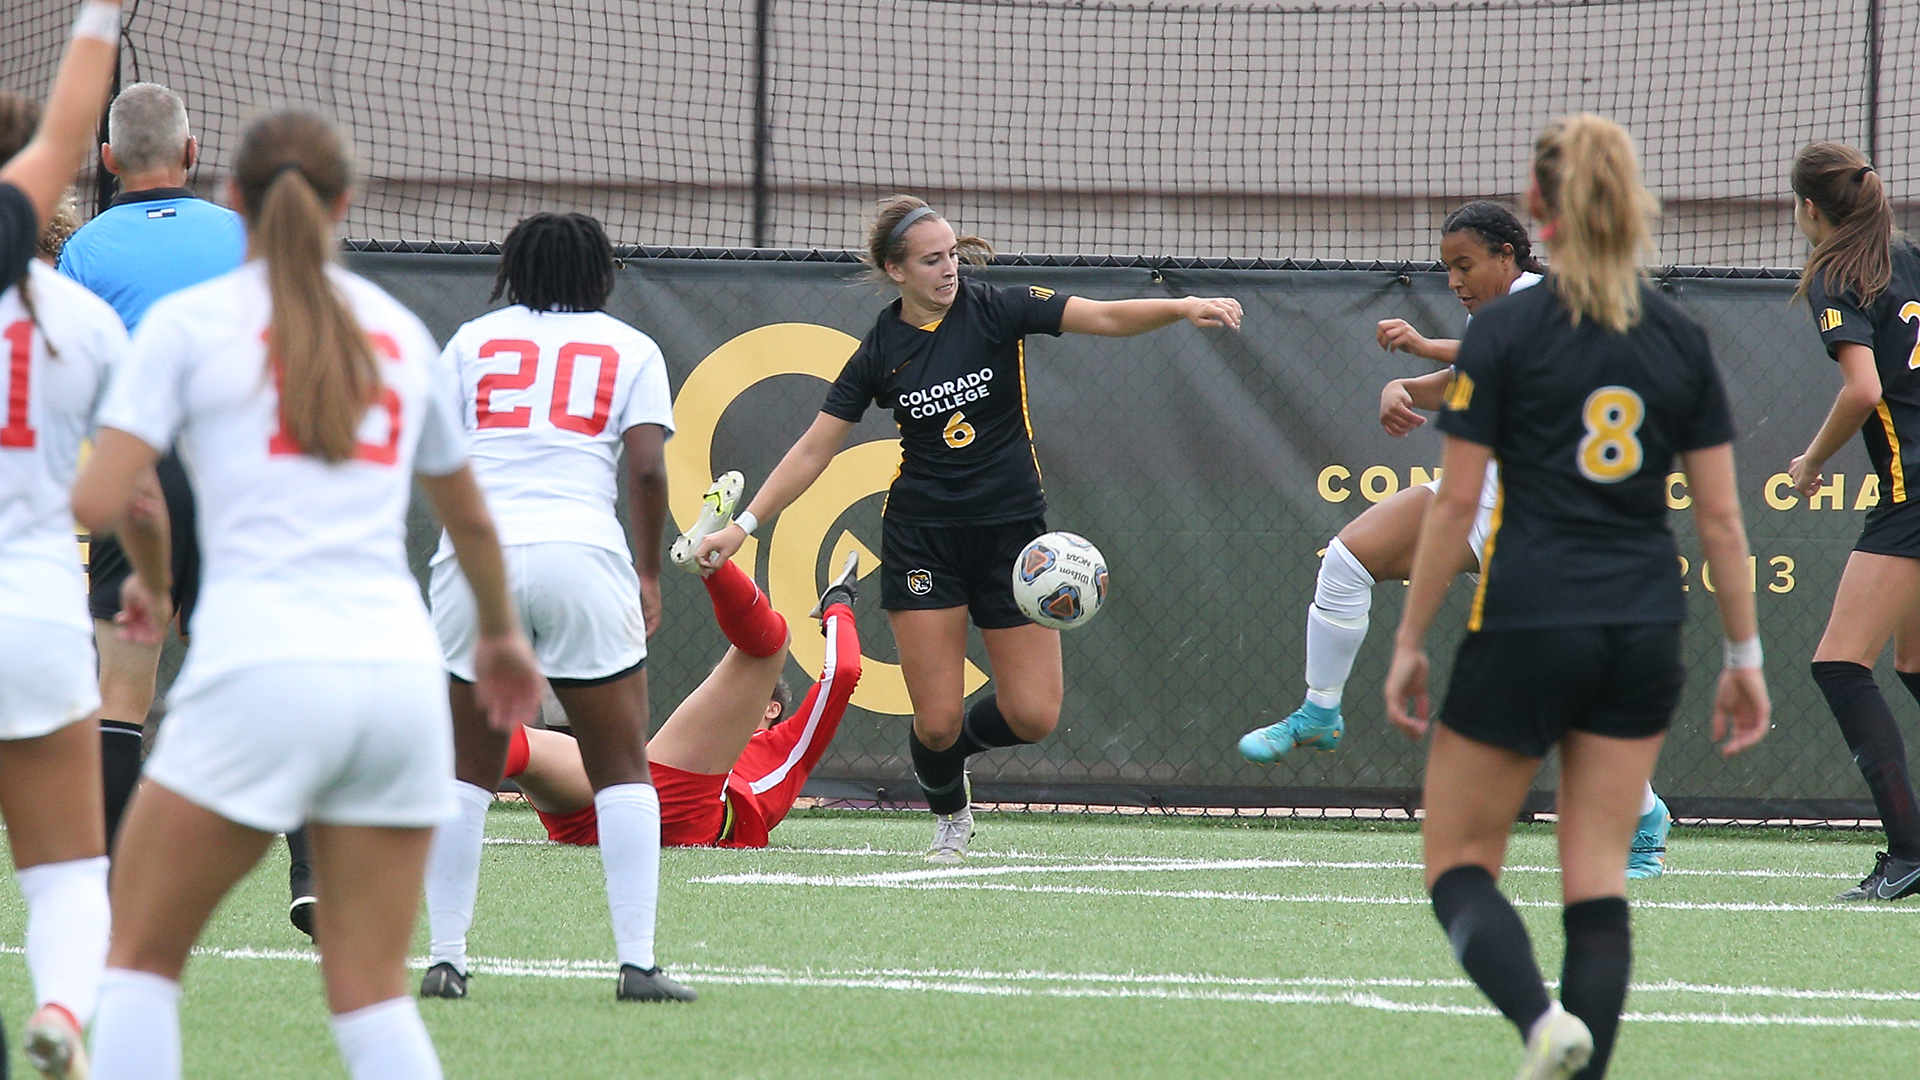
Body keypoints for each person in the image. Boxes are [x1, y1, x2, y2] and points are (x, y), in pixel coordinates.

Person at [71, 108, 543, 1080]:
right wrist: (500, 641)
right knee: (371, 997)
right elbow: (474, 524)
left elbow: (108, 493)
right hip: (398, 684)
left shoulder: (187, 327)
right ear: (345, 203)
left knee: (138, 966)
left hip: (261, 673)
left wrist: (154, 586)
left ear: (233, 197)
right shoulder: (397, 333)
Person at [1383, 114, 1769, 1079]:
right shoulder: (1680, 336)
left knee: (1460, 863)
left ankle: (1538, 1023)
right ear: (1635, 205)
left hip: (1527, 618)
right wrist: (1743, 657)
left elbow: (1458, 501)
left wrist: (1410, 640)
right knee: (1596, 880)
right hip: (1643, 625)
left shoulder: (1505, 332)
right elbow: (1722, 524)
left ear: (1539, 213)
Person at [690, 195, 1243, 862]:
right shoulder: (882, 349)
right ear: (896, 271)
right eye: (931, 260)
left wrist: (1180, 308)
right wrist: (744, 527)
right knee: (938, 716)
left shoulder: (997, 308)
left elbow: (1100, 315)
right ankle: (951, 813)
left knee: (1033, 714)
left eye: (952, 253)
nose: (949, 268)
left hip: (1013, 543)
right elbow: (813, 448)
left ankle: (947, 755)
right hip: (924, 540)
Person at [1240, 202, 1676, 880]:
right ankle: (1319, 713)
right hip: (1480, 505)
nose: (1455, 280)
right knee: (1349, 558)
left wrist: (1417, 347)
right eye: (1447, 269)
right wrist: (1404, 387)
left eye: (1465, 265)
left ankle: (1644, 818)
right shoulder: (1495, 314)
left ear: (1509, 255)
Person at [418, 211, 691, 1003]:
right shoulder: (632, 348)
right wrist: (646, 571)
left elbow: (430, 454)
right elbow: (645, 473)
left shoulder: (469, 342)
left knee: (465, 773)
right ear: (598, 274)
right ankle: (637, 964)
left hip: (478, 557)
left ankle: (446, 959)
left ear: (514, 270)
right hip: (584, 554)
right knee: (620, 769)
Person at [56, 80, 257, 877]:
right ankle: (309, 873)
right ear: (191, 152)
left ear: (108, 160)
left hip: (136, 472)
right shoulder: (243, 233)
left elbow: (67, 373)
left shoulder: (87, 249)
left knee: (122, 689)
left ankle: (111, 874)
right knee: (253, 668)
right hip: (234, 468)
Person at [0, 10, 129, 1077]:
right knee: (66, 872)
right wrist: (161, 580)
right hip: (37, 608)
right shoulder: (85, 322)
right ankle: (60, 1007)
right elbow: (133, 490)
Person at [504, 547, 860, 850]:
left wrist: (838, 605)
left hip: (683, 809)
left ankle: (712, 562)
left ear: (773, 708)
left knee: (772, 645)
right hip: (619, 797)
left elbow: (843, 672)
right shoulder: (691, 748)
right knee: (501, 738)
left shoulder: (790, 744)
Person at [1785, 142, 1920, 902]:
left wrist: (1809, 462)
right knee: (1914, 664)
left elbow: (1863, 389)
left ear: (1809, 209)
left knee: (1839, 664)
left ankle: (1908, 852)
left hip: (1914, 490)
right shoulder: (1909, 259)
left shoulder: (1840, 272)